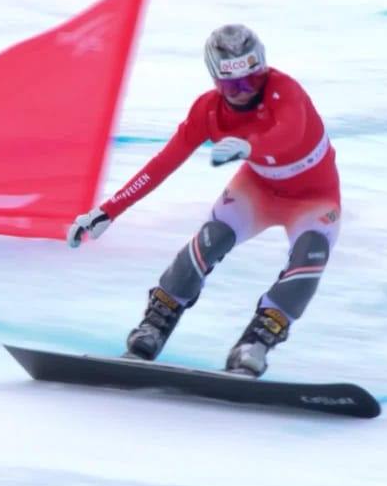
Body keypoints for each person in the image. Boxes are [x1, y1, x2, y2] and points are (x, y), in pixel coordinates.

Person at [66, 23, 341, 378]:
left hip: (314, 197)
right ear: (215, 80)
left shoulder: (285, 92)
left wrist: (251, 147)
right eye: (232, 85)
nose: (244, 92)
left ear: (264, 68)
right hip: (258, 190)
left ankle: (255, 343)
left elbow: (289, 134)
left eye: (253, 80)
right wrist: (109, 210)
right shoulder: (208, 112)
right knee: (211, 240)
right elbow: (163, 164)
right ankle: (154, 324)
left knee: (310, 255)